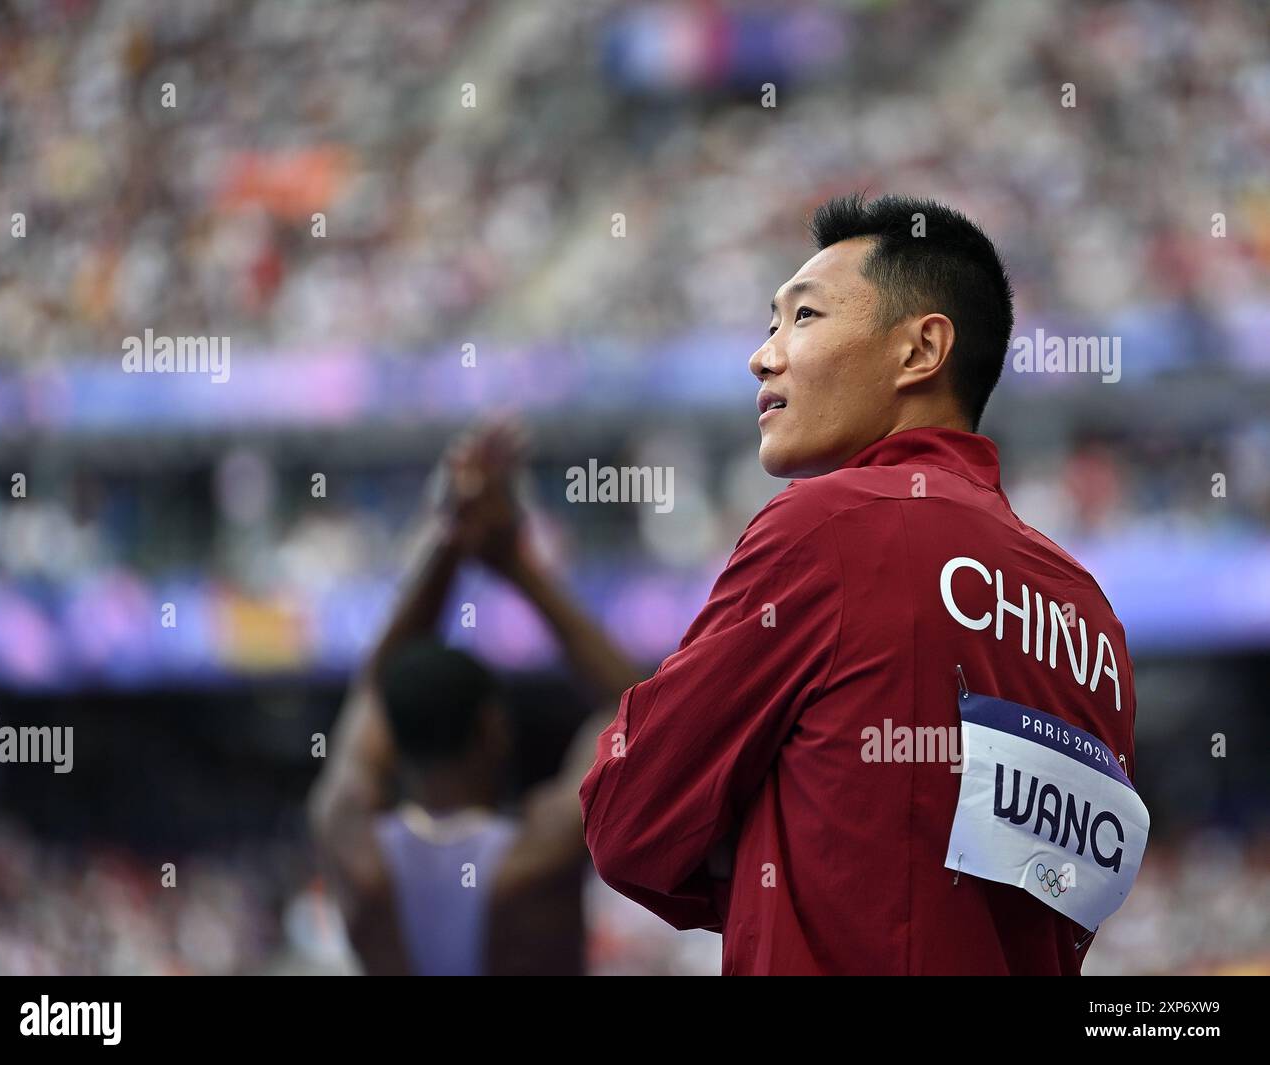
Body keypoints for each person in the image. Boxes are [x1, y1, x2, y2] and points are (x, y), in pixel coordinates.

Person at [580, 193, 1148, 975]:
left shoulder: (829, 527)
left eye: (802, 318)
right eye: (769, 324)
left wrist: (757, 845)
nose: (764, 354)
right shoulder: (1091, 617)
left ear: (921, 349)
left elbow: (628, 818)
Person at [310, 424, 640, 975]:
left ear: (392, 735)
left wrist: (449, 542)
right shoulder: (538, 857)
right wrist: (515, 564)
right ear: (494, 728)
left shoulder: (354, 849)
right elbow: (639, 710)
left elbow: (374, 686)